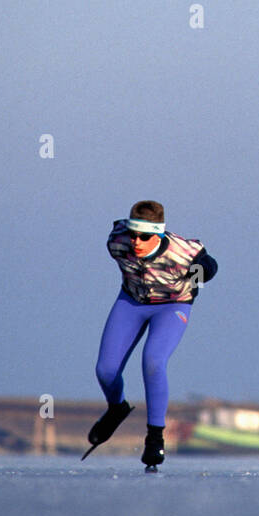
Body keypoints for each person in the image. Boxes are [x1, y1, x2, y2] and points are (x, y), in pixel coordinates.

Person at [88, 200, 217, 469]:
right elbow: (121, 232)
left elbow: (210, 263)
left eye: (145, 236)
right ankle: (116, 409)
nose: (136, 241)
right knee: (105, 371)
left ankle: (155, 437)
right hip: (132, 302)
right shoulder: (117, 241)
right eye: (134, 234)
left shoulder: (183, 253)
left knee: (153, 361)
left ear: (158, 233)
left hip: (172, 306)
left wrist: (201, 274)